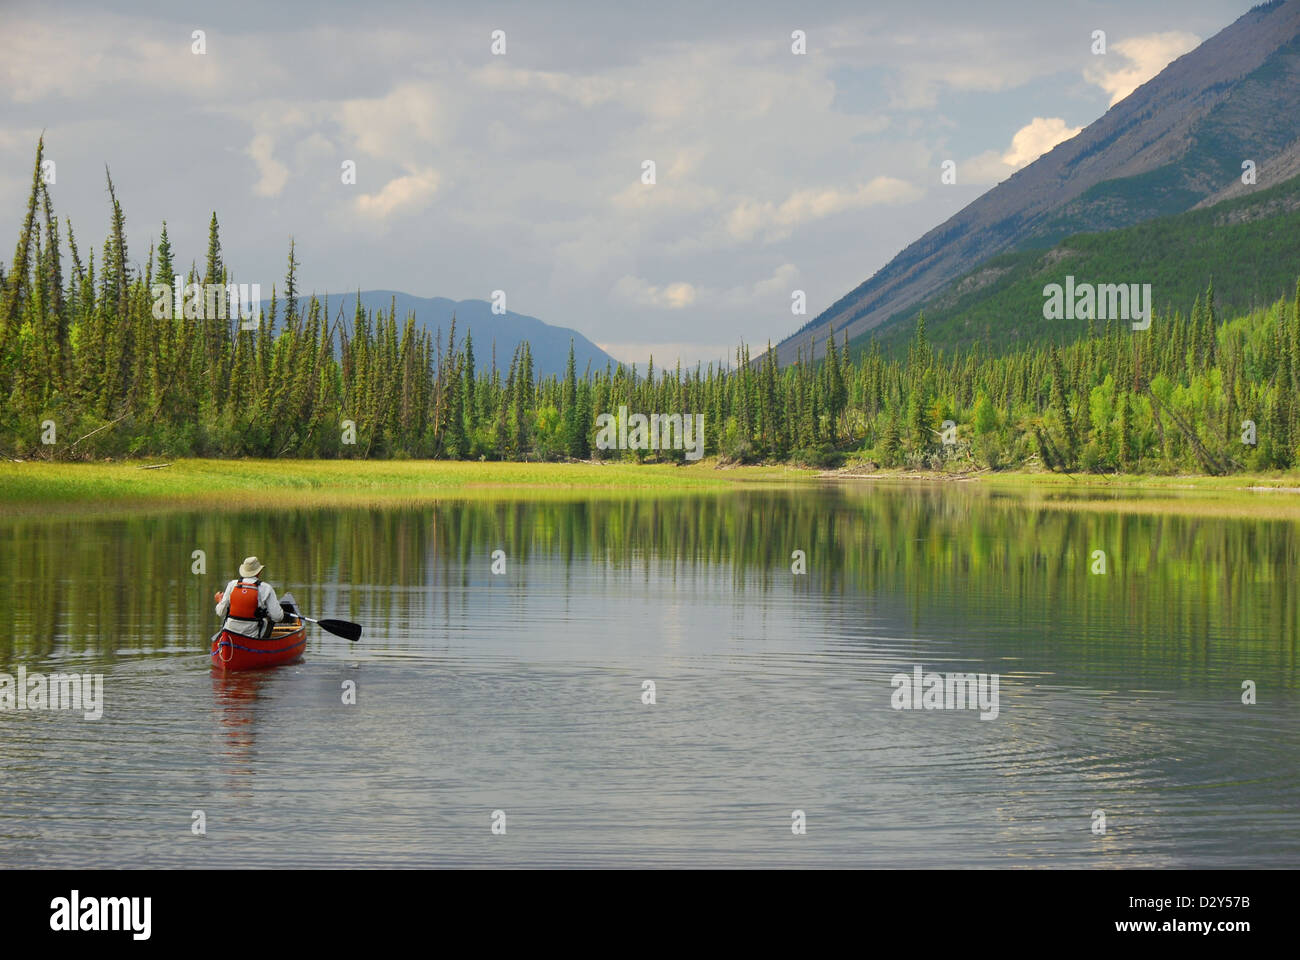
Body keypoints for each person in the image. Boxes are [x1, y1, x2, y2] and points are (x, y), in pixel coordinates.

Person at [214, 556, 286, 639]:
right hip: (253, 635)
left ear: (243, 571)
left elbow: (221, 612)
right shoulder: (266, 588)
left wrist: (220, 600)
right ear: (258, 572)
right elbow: (277, 617)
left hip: (230, 633)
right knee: (269, 619)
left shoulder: (232, 585)